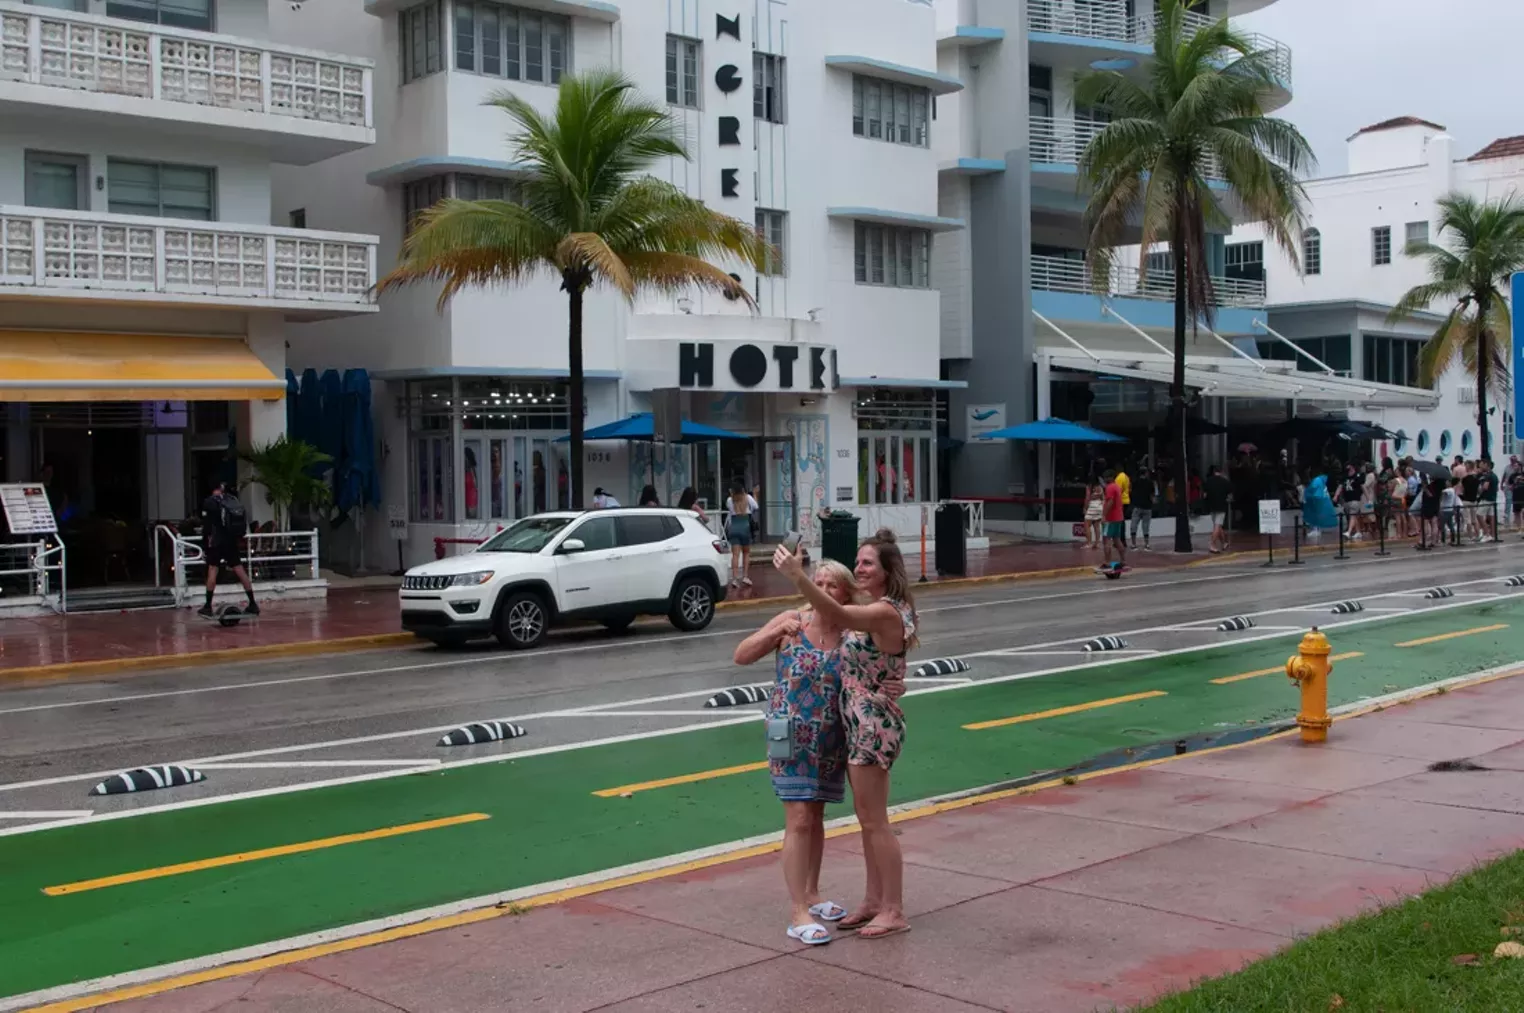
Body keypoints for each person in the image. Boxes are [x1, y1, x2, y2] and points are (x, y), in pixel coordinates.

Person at [773, 529, 918, 940]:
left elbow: (841, 616)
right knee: (867, 819)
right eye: (858, 561)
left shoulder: (886, 611)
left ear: (889, 571)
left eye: (868, 562)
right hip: (860, 719)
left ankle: (893, 908)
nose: (859, 568)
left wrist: (798, 577)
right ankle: (874, 901)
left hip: (871, 724)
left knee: (875, 821)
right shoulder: (883, 608)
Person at [197, 481, 257, 618]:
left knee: (213, 569)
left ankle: (207, 606)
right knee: (239, 569)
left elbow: (207, 526)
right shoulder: (231, 500)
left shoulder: (209, 502)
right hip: (231, 541)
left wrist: (205, 541)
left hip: (216, 542)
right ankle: (253, 603)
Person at [728, 484, 755, 588]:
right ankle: (745, 576)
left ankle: (734, 579)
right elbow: (755, 506)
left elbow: (729, 509)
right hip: (744, 524)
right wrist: (755, 495)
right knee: (746, 552)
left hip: (734, 525)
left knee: (735, 555)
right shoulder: (747, 498)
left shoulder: (730, 500)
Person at [1100, 469, 1126, 571]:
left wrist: (1104, 515)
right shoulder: (1117, 487)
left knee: (1106, 540)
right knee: (1117, 539)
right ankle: (1123, 560)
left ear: (1111, 477)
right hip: (1118, 517)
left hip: (1111, 518)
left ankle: (1107, 562)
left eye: (1107, 477)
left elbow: (1110, 502)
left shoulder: (1110, 488)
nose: (1105, 479)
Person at [1202, 464, 1232, 554]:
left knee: (1217, 525)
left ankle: (1224, 542)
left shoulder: (1208, 481)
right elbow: (1230, 494)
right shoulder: (1225, 482)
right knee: (1217, 526)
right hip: (1221, 506)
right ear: (1221, 472)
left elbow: (1204, 495)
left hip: (1211, 506)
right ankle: (1212, 544)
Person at [1129, 468, 1156, 551]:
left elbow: (1131, 492)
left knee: (1133, 526)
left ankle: (1134, 544)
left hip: (1137, 506)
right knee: (1146, 526)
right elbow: (1152, 495)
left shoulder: (1135, 482)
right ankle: (1147, 544)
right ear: (1146, 473)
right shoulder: (1150, 483)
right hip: (1147, 507)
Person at [1476, 459, 1499, 542]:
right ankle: (1492, 535)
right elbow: (1497, 489)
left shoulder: (1488, 476)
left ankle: (1487, 533)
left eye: (1481, 464)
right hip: (1492, 498)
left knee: (1479, 514)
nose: (1480, 466)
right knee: (1491, 517)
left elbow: (1485, 487)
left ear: (1486, 465)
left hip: (1486, 499)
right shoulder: (1494, 476)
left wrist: (1480, 489)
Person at [1083, 475, 1104, 549]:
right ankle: (1097, 543)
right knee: (1096, 526)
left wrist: (1085, 508)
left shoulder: (1089, 486)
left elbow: (1087, 497)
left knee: (1086, 525)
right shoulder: (1100, 487)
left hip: (1092, 506)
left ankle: (1089, 543)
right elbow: (1102, 498)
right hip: (1099, 506)